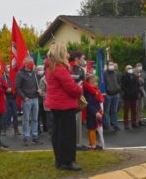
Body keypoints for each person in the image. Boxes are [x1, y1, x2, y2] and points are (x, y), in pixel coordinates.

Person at [45, 43, 83, 171]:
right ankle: (67, 161)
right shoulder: (60, 68)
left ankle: (59, 160)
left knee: (57, 133)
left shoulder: (50, 67)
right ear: (61, 53)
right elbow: (71, 88)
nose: (68, 54)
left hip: (56, 105)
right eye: (66, 52)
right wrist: (79, 89)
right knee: (67, 134)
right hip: (65, 105)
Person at [16, 57, 42, 146]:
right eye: (31, 62)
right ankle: (26, 137)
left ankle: (35, 136)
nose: (32, 64)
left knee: (35, 119)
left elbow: (38, 85)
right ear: (26, 63)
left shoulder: (35, 73)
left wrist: (39, 90)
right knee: (26, 119)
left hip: (35, 98)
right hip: (27, 99)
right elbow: (17, 88)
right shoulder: (20, 74)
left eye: (33, 62)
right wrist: (24, 97)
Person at [83, 74, 104, 150]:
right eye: (95, 82)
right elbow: (89, 104)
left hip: (94, 111)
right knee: (92, 128)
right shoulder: (88, 92)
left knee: (93, 128)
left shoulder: (93, 90)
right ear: (91, 82)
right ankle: (93, 145)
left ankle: (91, 144)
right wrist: (96, 112)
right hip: (91, 113)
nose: (96, 84)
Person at [2, 65, 20, 135]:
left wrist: (14, 90)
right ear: (5, 69)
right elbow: (1, 86)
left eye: (10, 67)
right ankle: (4, 130)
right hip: (6, 98)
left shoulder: (14, 76)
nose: (9, 68)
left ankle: (16, 130)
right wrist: (6, 90)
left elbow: (17, 85)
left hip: (13, 98)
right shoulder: (3, 77)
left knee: (15, 114)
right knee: (5, 114)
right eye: (7, 67)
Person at [104, 60, 122, 130]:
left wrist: (118, 88)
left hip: (116, 94)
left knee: (114, 110)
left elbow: (119, 82)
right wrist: (106, 91)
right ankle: (107, 125)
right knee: (106, 111)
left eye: (112, 64)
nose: (112, 66)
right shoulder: (104, 74)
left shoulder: (116, 73)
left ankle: (114, 124)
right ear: (107, 65)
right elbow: (103, 84)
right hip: (108, 95)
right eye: (110, 64)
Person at [121, 65, 139, 129]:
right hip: (127, 95)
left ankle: (134, 122)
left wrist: (135, 91)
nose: (130, 69)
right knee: (126, 110)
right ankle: (126, 124)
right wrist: (127, 91)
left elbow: (137, 85)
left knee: (134, 110)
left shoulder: (134, 76)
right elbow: (122, 85)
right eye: (128, 68)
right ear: (126, 69)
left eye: (131, 68)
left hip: (134, 95)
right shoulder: (123, 76)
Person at [36, 65, 47, 133]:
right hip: (38, 98)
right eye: (39, 69)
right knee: (38, 115)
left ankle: (46, 127)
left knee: (45, 114)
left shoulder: (45, 76)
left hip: (44, 98)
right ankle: (38, 129)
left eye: (42, 69)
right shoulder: (35, 76)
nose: (41, 70)